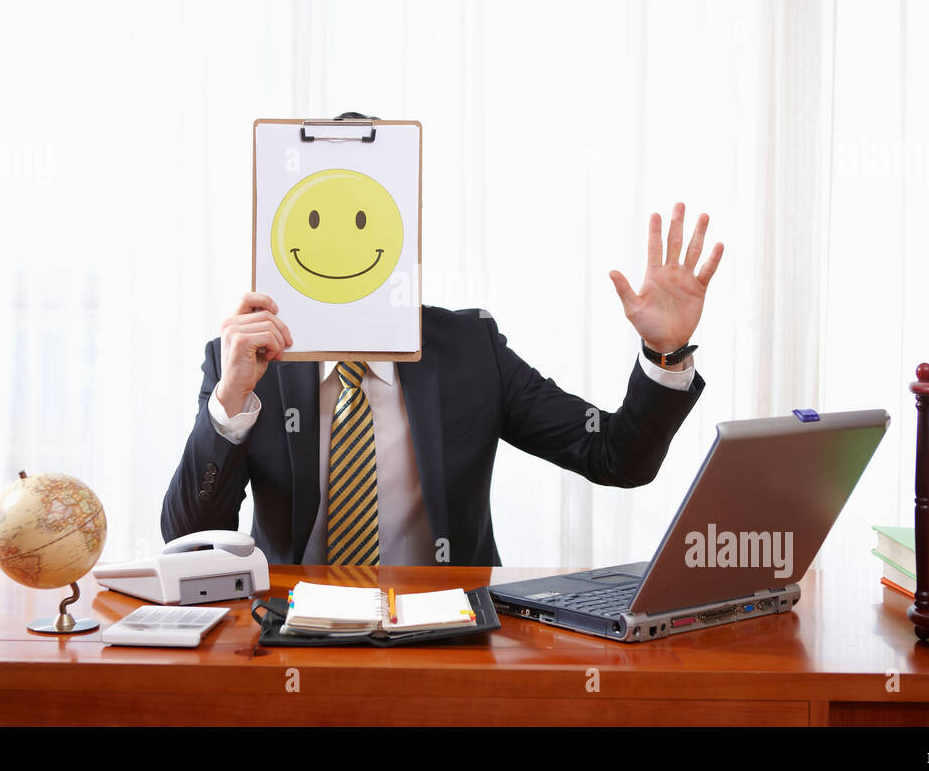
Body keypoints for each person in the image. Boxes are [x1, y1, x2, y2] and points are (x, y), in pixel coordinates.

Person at [160, 202, 723, 566]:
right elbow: (188, 542)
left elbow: (617, 456)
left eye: (365, 224)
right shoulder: (248, 363)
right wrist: (231, 400)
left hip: (448, 639)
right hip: (294, 634)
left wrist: (664, 352)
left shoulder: (470, 349)